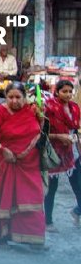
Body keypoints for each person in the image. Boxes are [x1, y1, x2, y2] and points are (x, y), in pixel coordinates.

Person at [0, 82, 45, 247]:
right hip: (7, 162)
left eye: (18, 97)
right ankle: (4, 234)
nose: (14, 101)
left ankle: (32, 238)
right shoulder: (0, 112)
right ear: (5, 97)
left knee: (32, 196)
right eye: (10, 97)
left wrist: (41, 116)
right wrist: (2, 149)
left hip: (30, 164)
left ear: (25, 97)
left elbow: (39, 131)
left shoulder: (32, 110)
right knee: (6, 196)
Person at [43, 80, 81, 231]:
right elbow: (42, 133)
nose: (68, 94)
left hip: (71, 152)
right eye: (64, 91)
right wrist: (60, 137)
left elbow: (75, 132)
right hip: (53, 152)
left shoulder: (75, 108)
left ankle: (77, 211)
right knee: (52, 188)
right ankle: (48, 222)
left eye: (70, 91)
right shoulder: (49, 107)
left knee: (78, 185)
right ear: (57, 92)